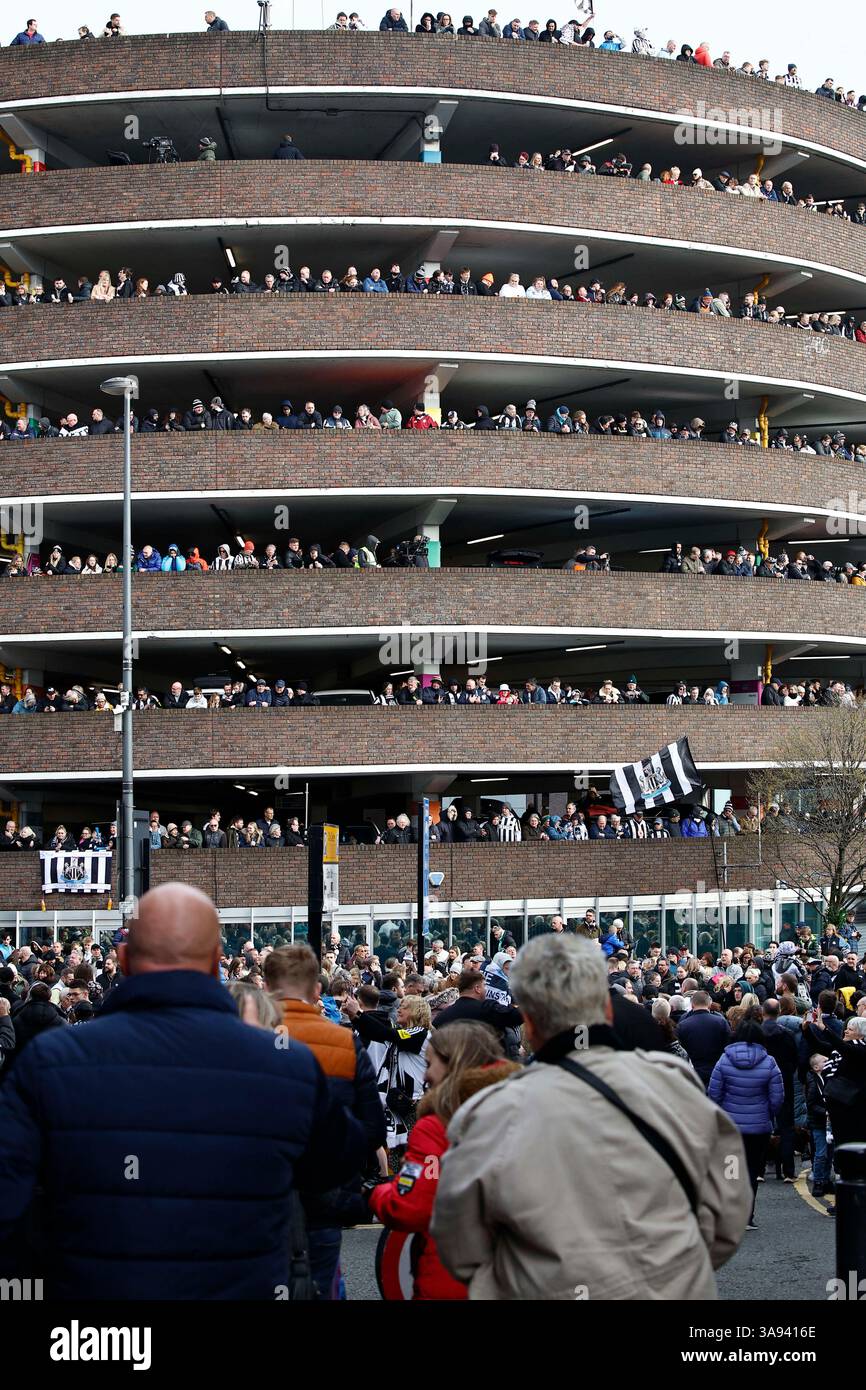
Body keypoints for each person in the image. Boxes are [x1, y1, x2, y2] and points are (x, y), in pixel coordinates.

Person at [0, 883, 365, 1298]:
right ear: (214, 964)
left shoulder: (51, 1061)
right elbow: (339, 1162)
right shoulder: (289, 1067)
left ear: (122, 960)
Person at [432, 935, 751, 1298]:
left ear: (530, 1026)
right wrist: (674, 1264)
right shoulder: (673, 1084)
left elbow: (459, 1245)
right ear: (607, 1008)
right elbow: (727, 1210)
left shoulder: (489, 1114)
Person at [264, 945, 385, 1299]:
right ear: (316, 990)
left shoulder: (248, 1039)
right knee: (321, 1280)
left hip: (264, 1193)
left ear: (268, 987)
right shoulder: (344, 1042)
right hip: (327, 1193)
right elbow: (372, 1130)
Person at [368, 1022, 519, 1300]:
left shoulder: (438, 1125)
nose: (425, 1074)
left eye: (429, 1064)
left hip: (453, 1278)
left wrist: (378, 1193)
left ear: (453, 1063)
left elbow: (410, 1207)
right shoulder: (525, 1111)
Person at [708, 1020, 784, 1229]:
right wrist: (767, 1113)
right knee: (751, 1169)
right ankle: (747, 1215)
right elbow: (777, 1098)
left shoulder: (724, 1060)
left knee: (731, 1169)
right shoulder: (769, 1062)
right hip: (758, 1126)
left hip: (730, 1125)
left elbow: (714, 1093)